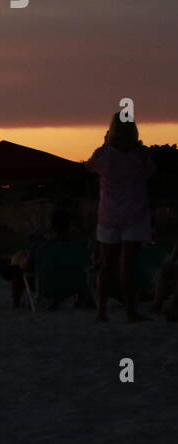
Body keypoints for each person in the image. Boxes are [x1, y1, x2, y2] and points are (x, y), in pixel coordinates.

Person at [87, 113, 155, 323]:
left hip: (109, 214)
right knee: (128, 266)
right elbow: (151, 172)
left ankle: (101, 311)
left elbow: (89, 166)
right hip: (135, 214)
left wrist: (105, 144)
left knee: (107, 264)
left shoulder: (104, 155)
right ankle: (130, 312)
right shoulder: (140, 155)